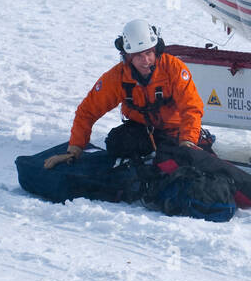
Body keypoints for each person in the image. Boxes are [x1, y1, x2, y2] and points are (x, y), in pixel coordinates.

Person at [43, 19, 205, 169]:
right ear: (128, 57)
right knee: (116, 143)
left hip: (174, 131)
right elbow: (87, 111)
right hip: (142, 131)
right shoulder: (118, 77)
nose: (145, 60)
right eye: (139, 56)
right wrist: (75, 149)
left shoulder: (174, 68)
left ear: (156, 51)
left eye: (149, 53)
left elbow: (191, 108)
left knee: (177, 159)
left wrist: (188, 142)